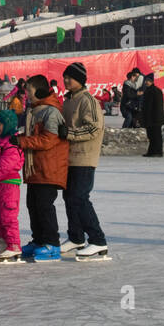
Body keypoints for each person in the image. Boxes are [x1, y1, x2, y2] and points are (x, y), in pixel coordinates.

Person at [16, 75, 69, 261]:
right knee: (33, 206)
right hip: (35, 168)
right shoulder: (34, 111)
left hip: (49, 166)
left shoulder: (51, 112)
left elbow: (48, 140)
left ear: (39, 91)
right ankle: (38, 240)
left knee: (45, 206)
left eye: (29, 92)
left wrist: (22, 141)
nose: (26, 96)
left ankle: (52, 244)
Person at [60, 62, 108, 259]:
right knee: (69, 198)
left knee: (79, 198)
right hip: (69, 158)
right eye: (65, 76)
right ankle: (76, 237)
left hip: (85, 157)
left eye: (69, 77)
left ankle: (98, 240)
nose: (66, 80)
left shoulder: (88, 101)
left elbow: (94, 128)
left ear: (79, 79)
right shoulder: (68, 100)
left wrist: (69, 133)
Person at [0, 110, 25, 262]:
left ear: (8, 125)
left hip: (9, 184)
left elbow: (6, 165)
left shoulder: (12, 142)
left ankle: (14, 245)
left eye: (0, 124)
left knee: (8, 215)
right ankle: (2, 242)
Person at [141, 72, 164, 155]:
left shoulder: (152, 91)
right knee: (154, 135)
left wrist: (145, 116)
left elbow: (150, 106)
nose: (146, 82)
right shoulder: (154, 90)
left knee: (154, 135)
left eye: (147, 81)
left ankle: (156, 152)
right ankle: (153, 151)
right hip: (156, 118)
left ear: (151, 81)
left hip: (153, 118)